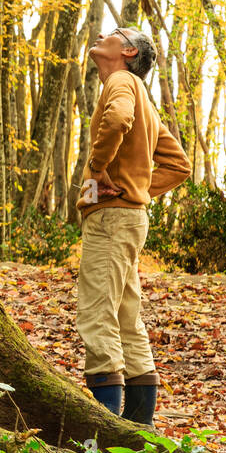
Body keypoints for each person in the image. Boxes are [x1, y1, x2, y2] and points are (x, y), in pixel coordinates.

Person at [75, 26, 191, 425]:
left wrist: (99, 169)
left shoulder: (121, 82)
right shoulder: (143, 95)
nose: (103, 34)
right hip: (129, 217)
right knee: (126, 314)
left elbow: (118, 118)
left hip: (112, 218)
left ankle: (105, 425)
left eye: (114, 33)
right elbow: (180, 165)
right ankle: (140, 426)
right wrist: (135, 187)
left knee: (96, 311)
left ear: (127, 51)